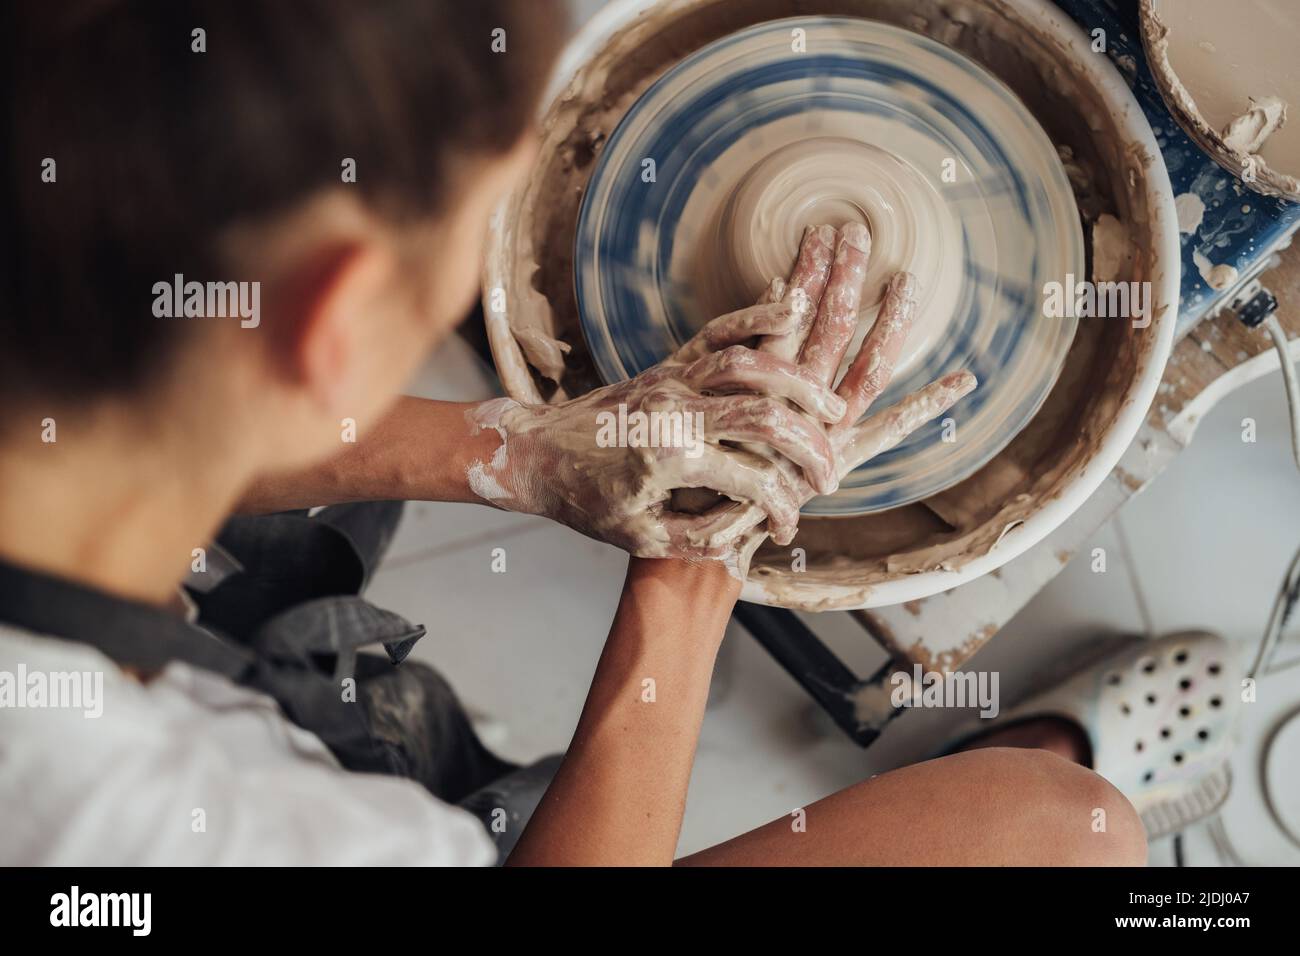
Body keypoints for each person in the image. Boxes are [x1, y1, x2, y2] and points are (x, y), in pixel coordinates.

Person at [1, 0, 1145, 866]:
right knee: (1068, 834)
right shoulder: (201, 830)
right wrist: (692, 565)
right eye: (477, 216)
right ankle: (1044, 747)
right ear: (332, 322)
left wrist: (514, 450)